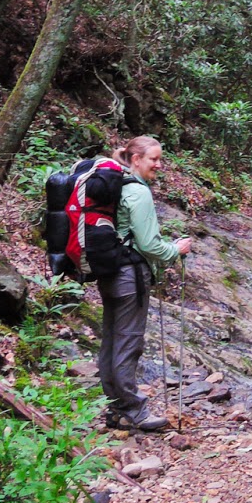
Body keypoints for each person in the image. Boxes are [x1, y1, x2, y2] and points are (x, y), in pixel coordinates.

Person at [97, 135, 193, 431]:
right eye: (153, 159)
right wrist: (174, 251)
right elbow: (149, 244)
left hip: (111, 271)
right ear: (136, 159)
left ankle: (115, 409)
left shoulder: (118, 184)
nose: (159, 164)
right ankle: (133, 411)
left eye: (159, 158)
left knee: (112, 340)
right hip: (130, 276)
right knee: (128, 343)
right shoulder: (138, 192)